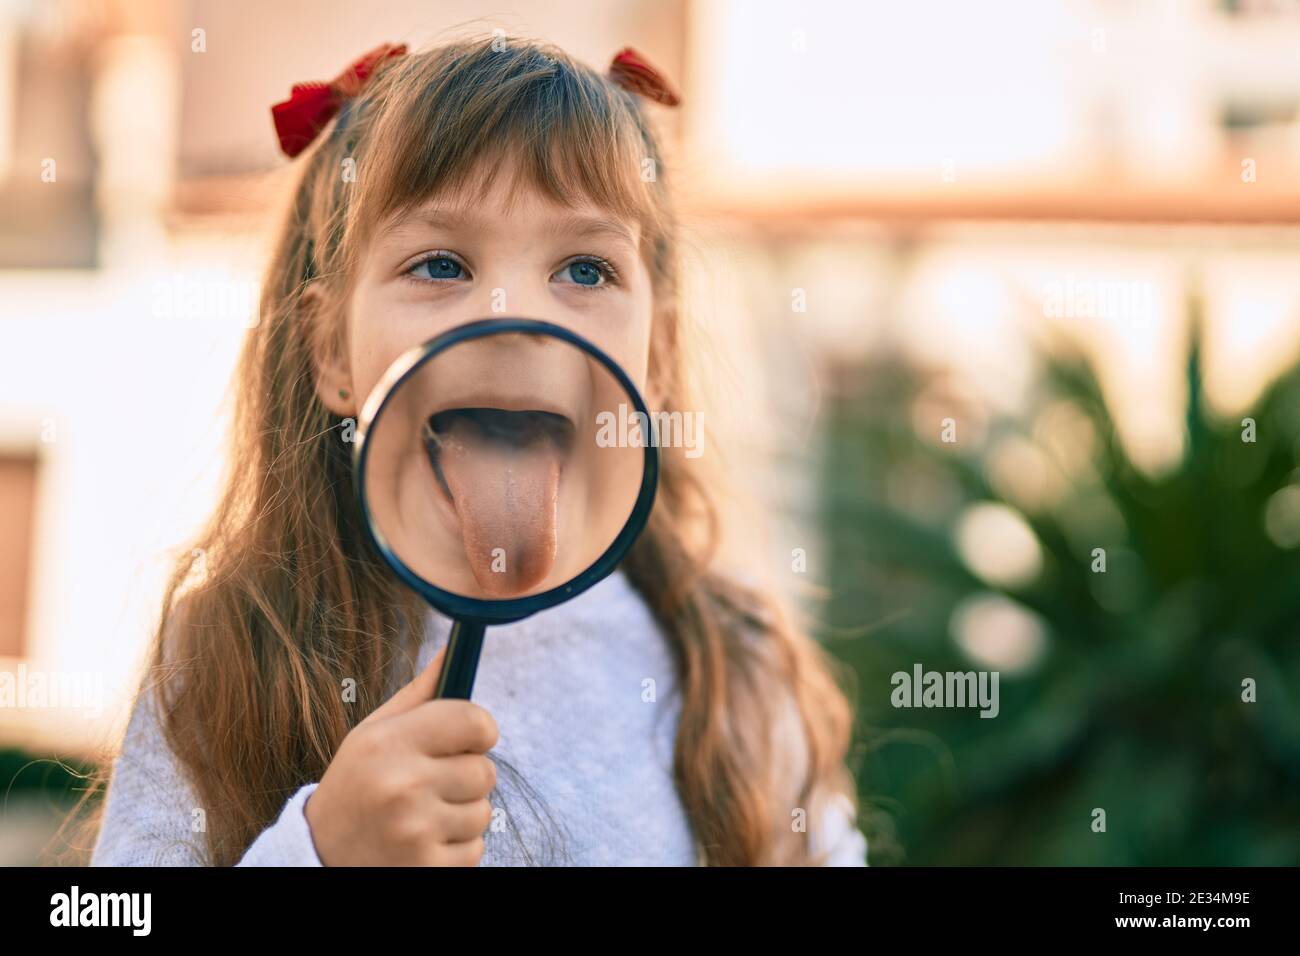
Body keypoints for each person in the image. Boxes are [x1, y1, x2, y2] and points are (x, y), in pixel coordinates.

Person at [79, 33, 868, 866]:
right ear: (332, 354)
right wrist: (320, 853)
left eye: (587, 271)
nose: (513, 316)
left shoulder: (731, 672)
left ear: (659, 358)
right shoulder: (229, 655)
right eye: (443, 263)